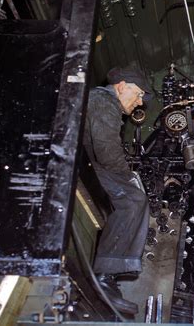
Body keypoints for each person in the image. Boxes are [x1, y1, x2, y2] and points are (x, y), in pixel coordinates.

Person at [83, 66, 152, 315]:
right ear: (122, 86)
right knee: (133, 200)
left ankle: (108, 273)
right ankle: (103, 276)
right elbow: (106, 151)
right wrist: (129, 178)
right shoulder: (103, 100)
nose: (140, 102)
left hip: (87, 163)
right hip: (87, 164)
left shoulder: (101, 102)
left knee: (133, 198)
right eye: (139, 94)